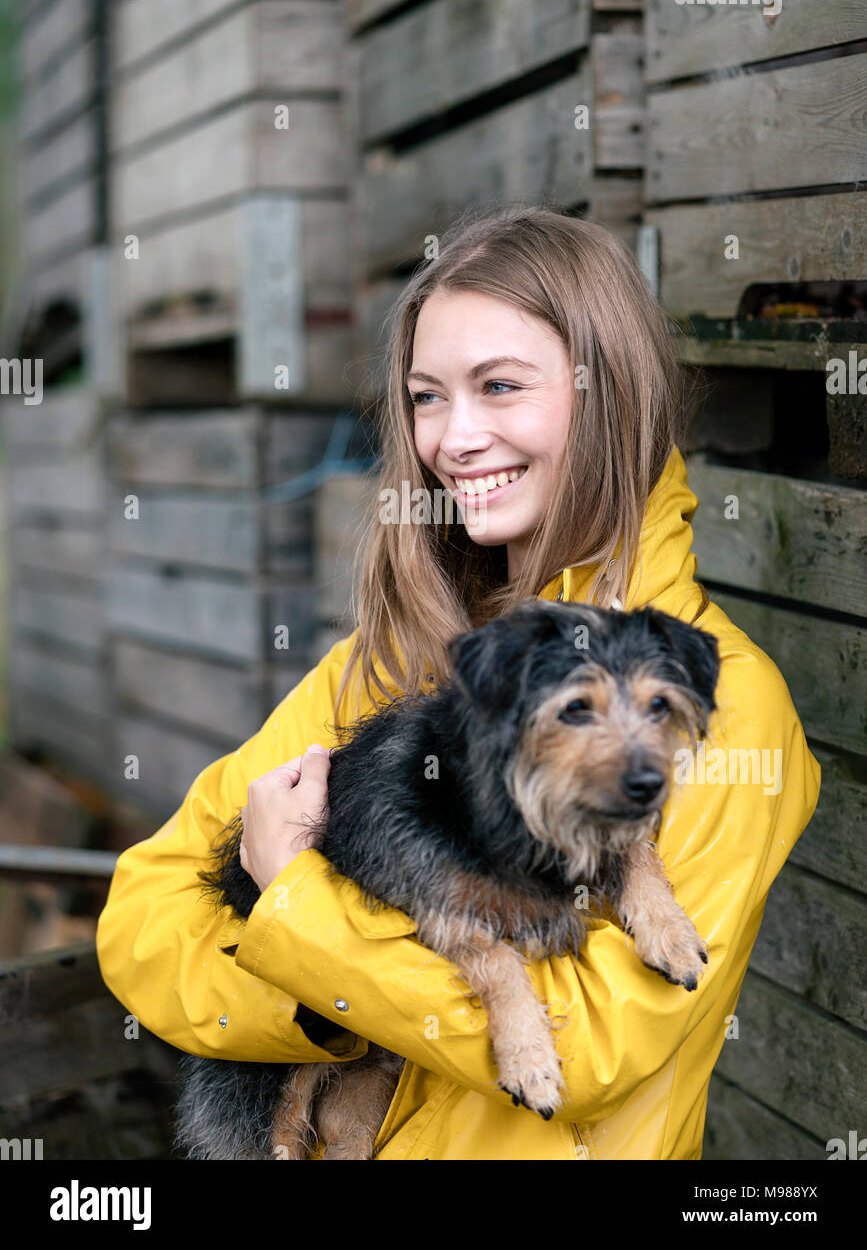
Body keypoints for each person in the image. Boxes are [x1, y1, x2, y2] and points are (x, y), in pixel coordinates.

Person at [96, 205, 820, 1160]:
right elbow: (143, 915)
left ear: (609, 393)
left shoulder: (717, 705)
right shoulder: (386, 662)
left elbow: (592, 1044)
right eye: (426, 397)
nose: (454, 438)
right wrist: (317, 1014)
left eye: (500, 386)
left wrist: (302, 913)